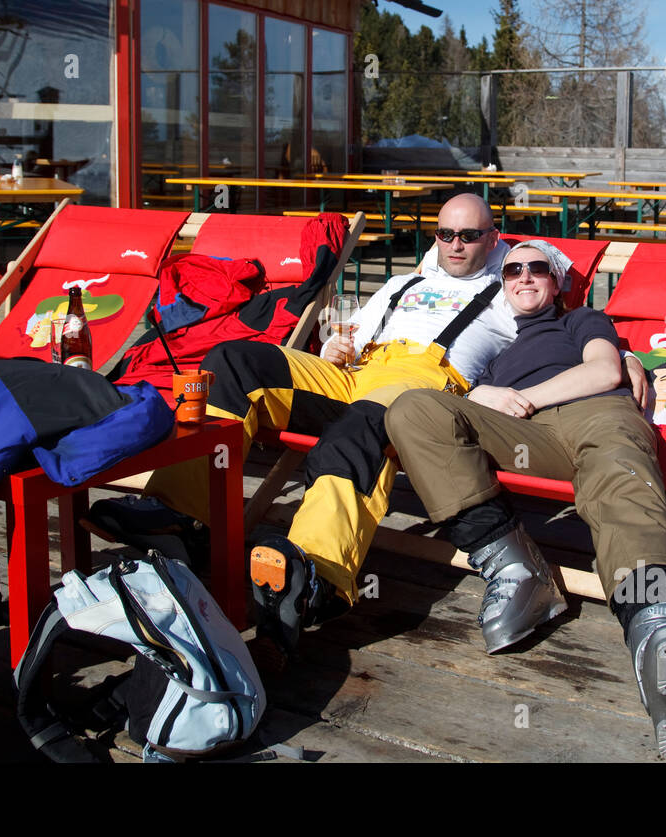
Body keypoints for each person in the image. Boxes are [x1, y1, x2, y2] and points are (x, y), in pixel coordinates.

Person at [126, 194, 519, 668]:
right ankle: (181, 514)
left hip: (424, 386)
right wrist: (334, 344)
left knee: (363, 424)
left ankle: (316, 573)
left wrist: (619, 357)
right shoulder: (403, 281)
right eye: (445, 234)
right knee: (234, 361)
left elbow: (562, 327)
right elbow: (348, 333)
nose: (455, 245)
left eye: (470, 235)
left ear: (493, 238)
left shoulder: (511, 288)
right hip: (354, 373)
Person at [384, 239, 666, 759]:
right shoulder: (496, 350)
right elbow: (457, 402)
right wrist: (476, 395)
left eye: (538, 268)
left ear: (557, 282)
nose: (525, 276)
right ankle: (513, 566)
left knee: (618, 481)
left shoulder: (581, 320)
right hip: (522, 435)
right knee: (414, 409)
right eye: (513, 270)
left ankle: (660, 622)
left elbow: (604, 371)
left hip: (592, 413)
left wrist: (528, 398)